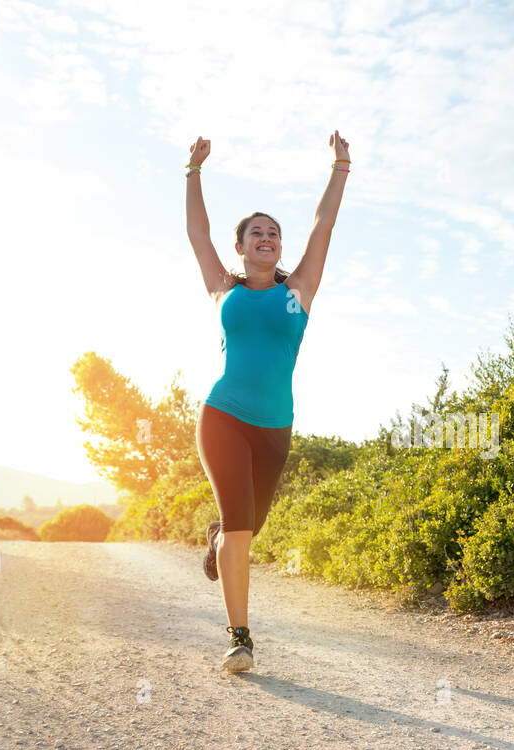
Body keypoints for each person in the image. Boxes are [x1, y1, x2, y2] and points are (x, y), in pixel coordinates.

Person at [185, 130, 350, 672]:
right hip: (223, 416)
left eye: (274, 233)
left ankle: (218, 541)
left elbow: (323, 226)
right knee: (241, 531)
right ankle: (240, 637)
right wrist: (194, 172)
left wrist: (340, 167)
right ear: (241, 246)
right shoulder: (223, 290)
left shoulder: (298, 291)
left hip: (276, 428)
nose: (267, 238)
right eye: (257, 232)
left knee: (247, 528)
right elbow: (196, 233)